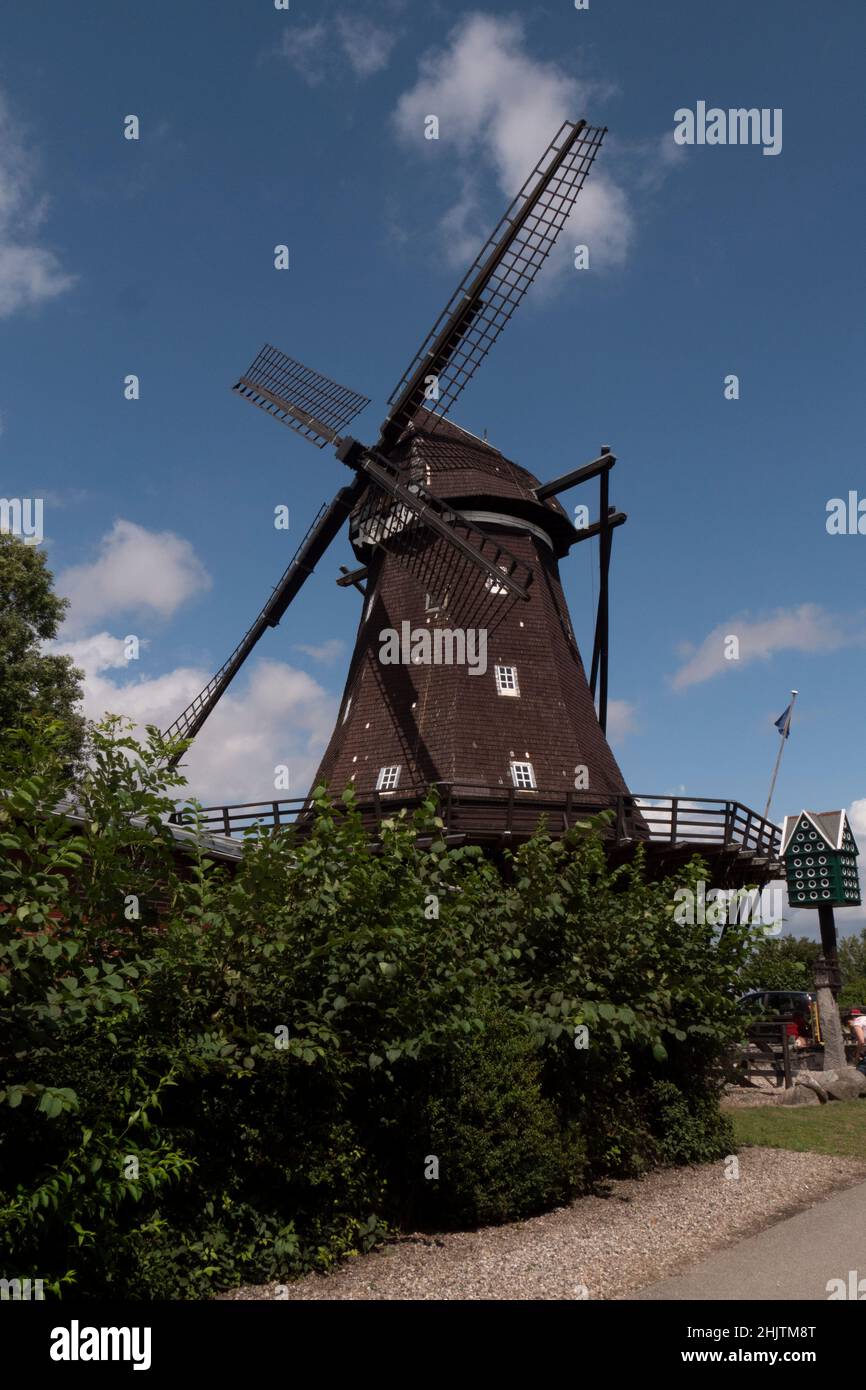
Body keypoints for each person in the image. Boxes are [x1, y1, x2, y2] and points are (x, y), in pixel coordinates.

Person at [848, 1008, 866, 1076]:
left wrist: (857, 1055)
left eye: (848, 1023)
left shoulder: (857, 1022)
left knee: (859, 1073)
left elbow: (861, 1041)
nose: (849, 1025)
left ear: (852, 1018)